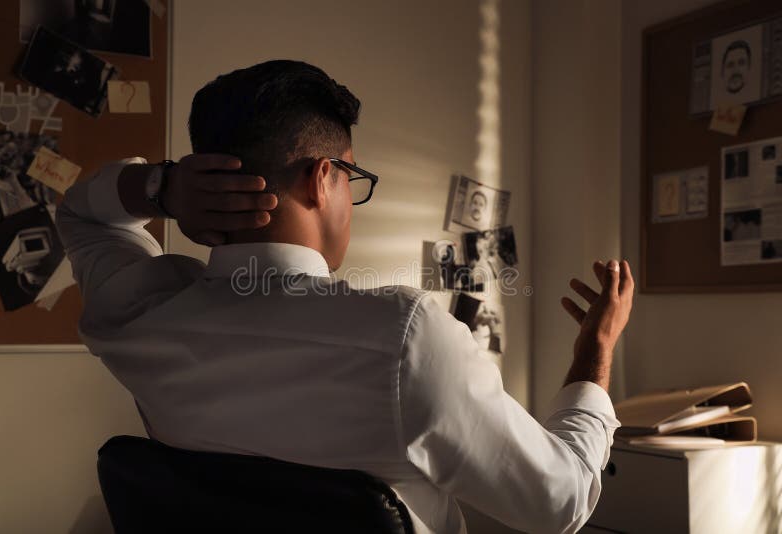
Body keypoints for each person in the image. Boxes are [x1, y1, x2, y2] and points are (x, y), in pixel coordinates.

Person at [57, 60, 633, 534]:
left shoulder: (143, 316)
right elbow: (560, 502)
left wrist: (159, 188)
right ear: (322, 176)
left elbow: (80, 214)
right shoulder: (404, 339)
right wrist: (596, 347)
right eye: (352, 180)